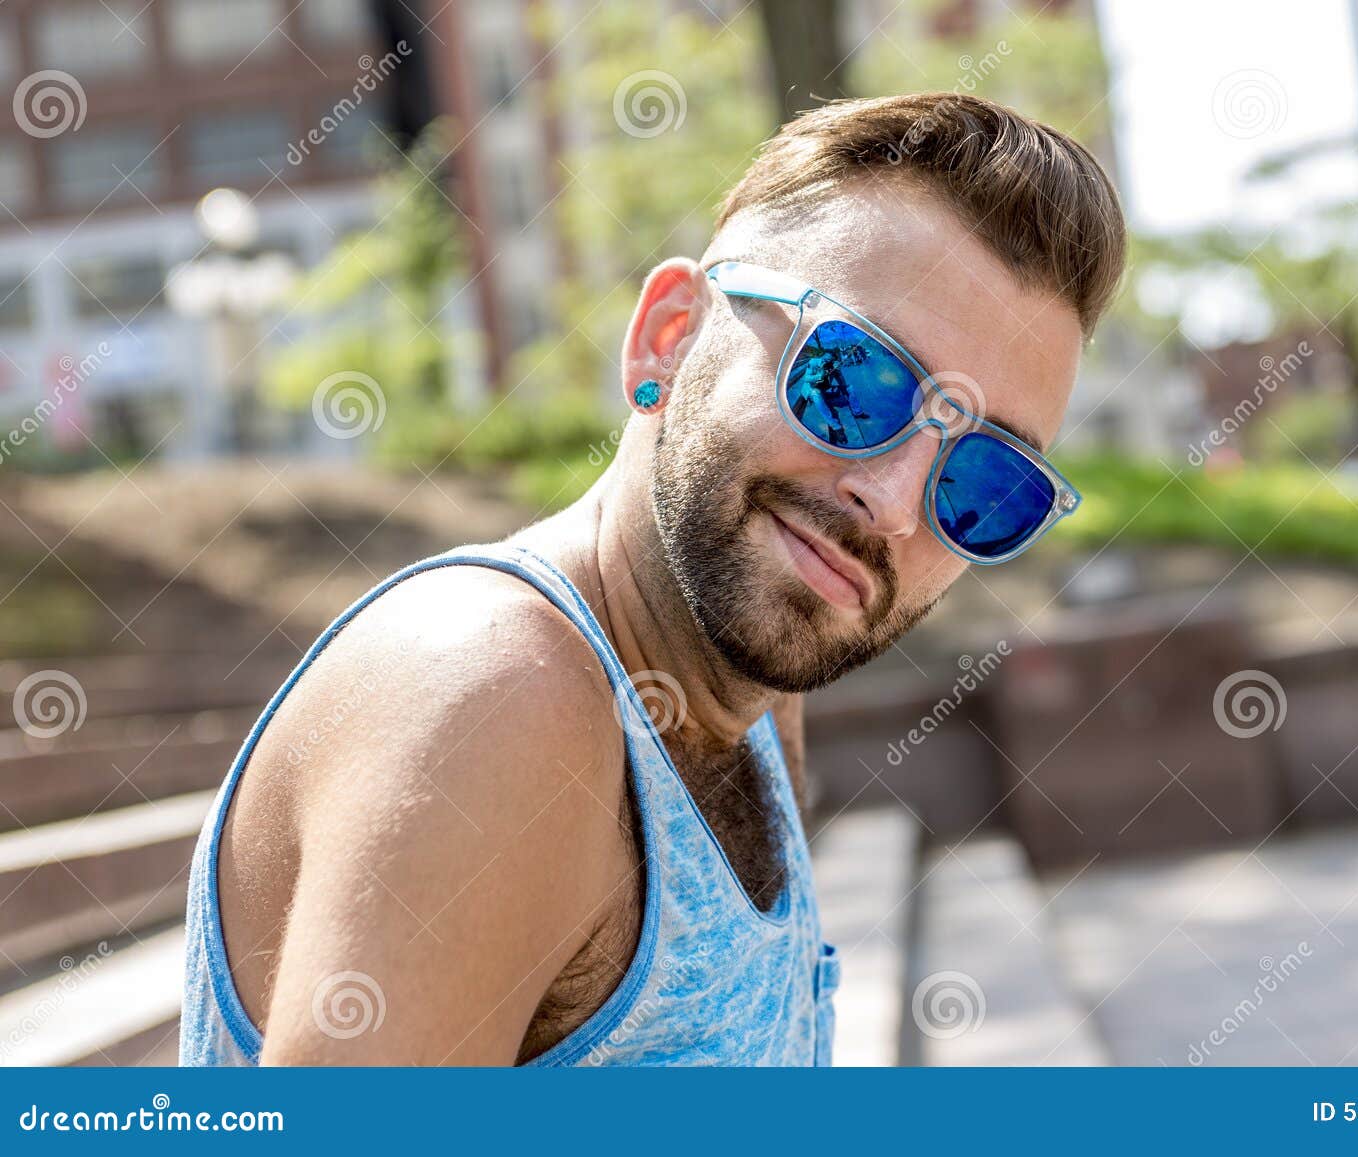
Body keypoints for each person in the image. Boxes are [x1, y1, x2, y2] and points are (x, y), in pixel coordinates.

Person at [180, 91, 1126, 1067]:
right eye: (852, 379)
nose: (890, 502)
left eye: (986, 480)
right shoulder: (493, 695)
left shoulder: (752, 699)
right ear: (669, 335)